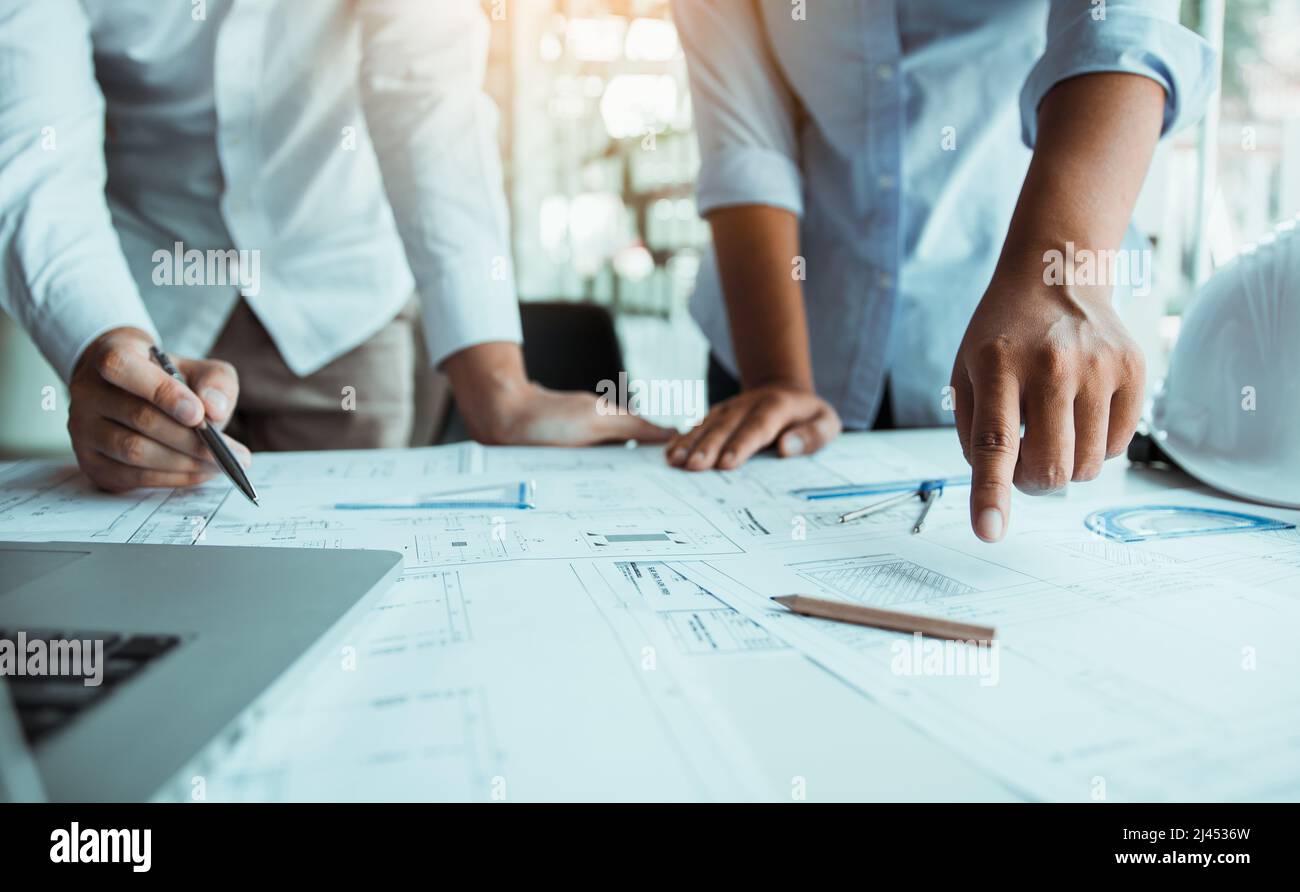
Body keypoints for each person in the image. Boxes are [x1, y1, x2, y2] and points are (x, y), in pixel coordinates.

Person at [0, 0, 665, 494]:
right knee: (151, 564)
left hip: (342, 290)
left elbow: (428, 101)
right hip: (146, 296)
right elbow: (35, 151)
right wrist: (101, 343)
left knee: (350, 577)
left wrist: (501, 390)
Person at [667, 0, 1216, 541]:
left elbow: (1117, 25)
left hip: (1023, 342)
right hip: (778, 329)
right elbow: (748, 140)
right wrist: (777, 380)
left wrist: (1063, 276)